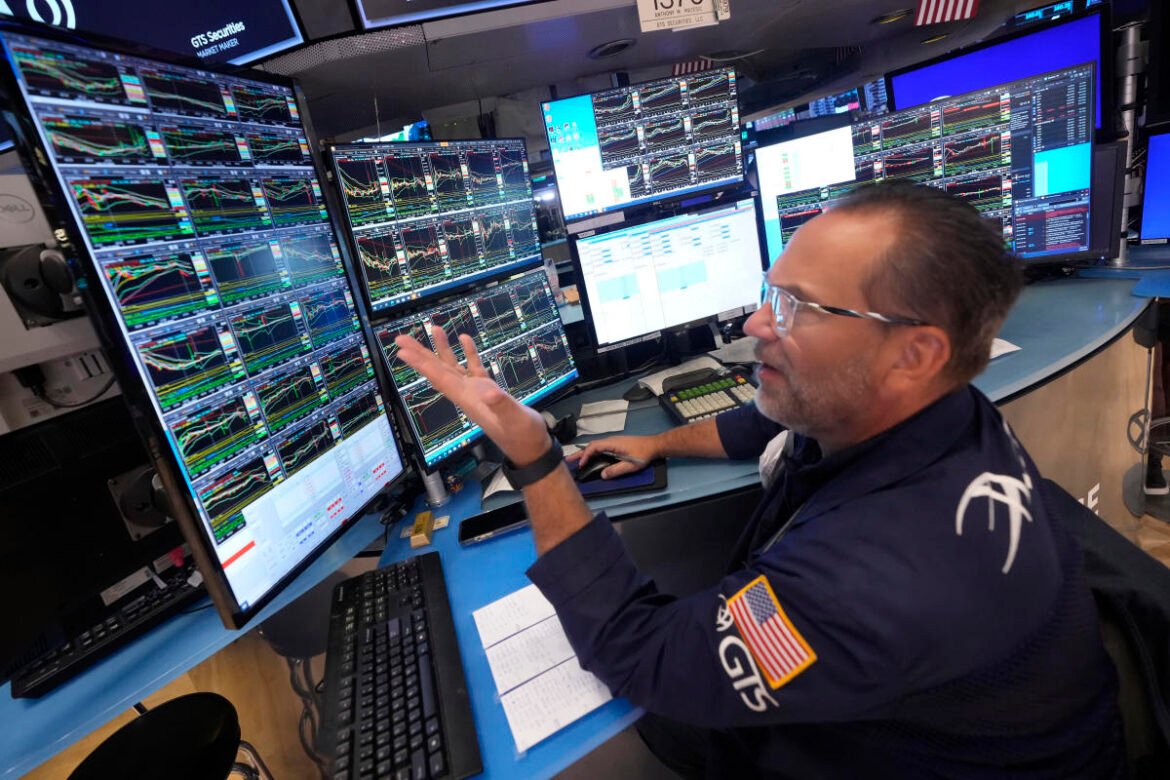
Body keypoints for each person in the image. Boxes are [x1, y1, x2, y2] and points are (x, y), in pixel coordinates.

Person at [394, 181, 1124, 778]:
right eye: (772, 293)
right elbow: (766, 424)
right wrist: (658, 443)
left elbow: (639, 655)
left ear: (915, 354)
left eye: (798, 308)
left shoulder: (871, 580)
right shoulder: (940, 409)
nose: (755, 325)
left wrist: (535, 456)